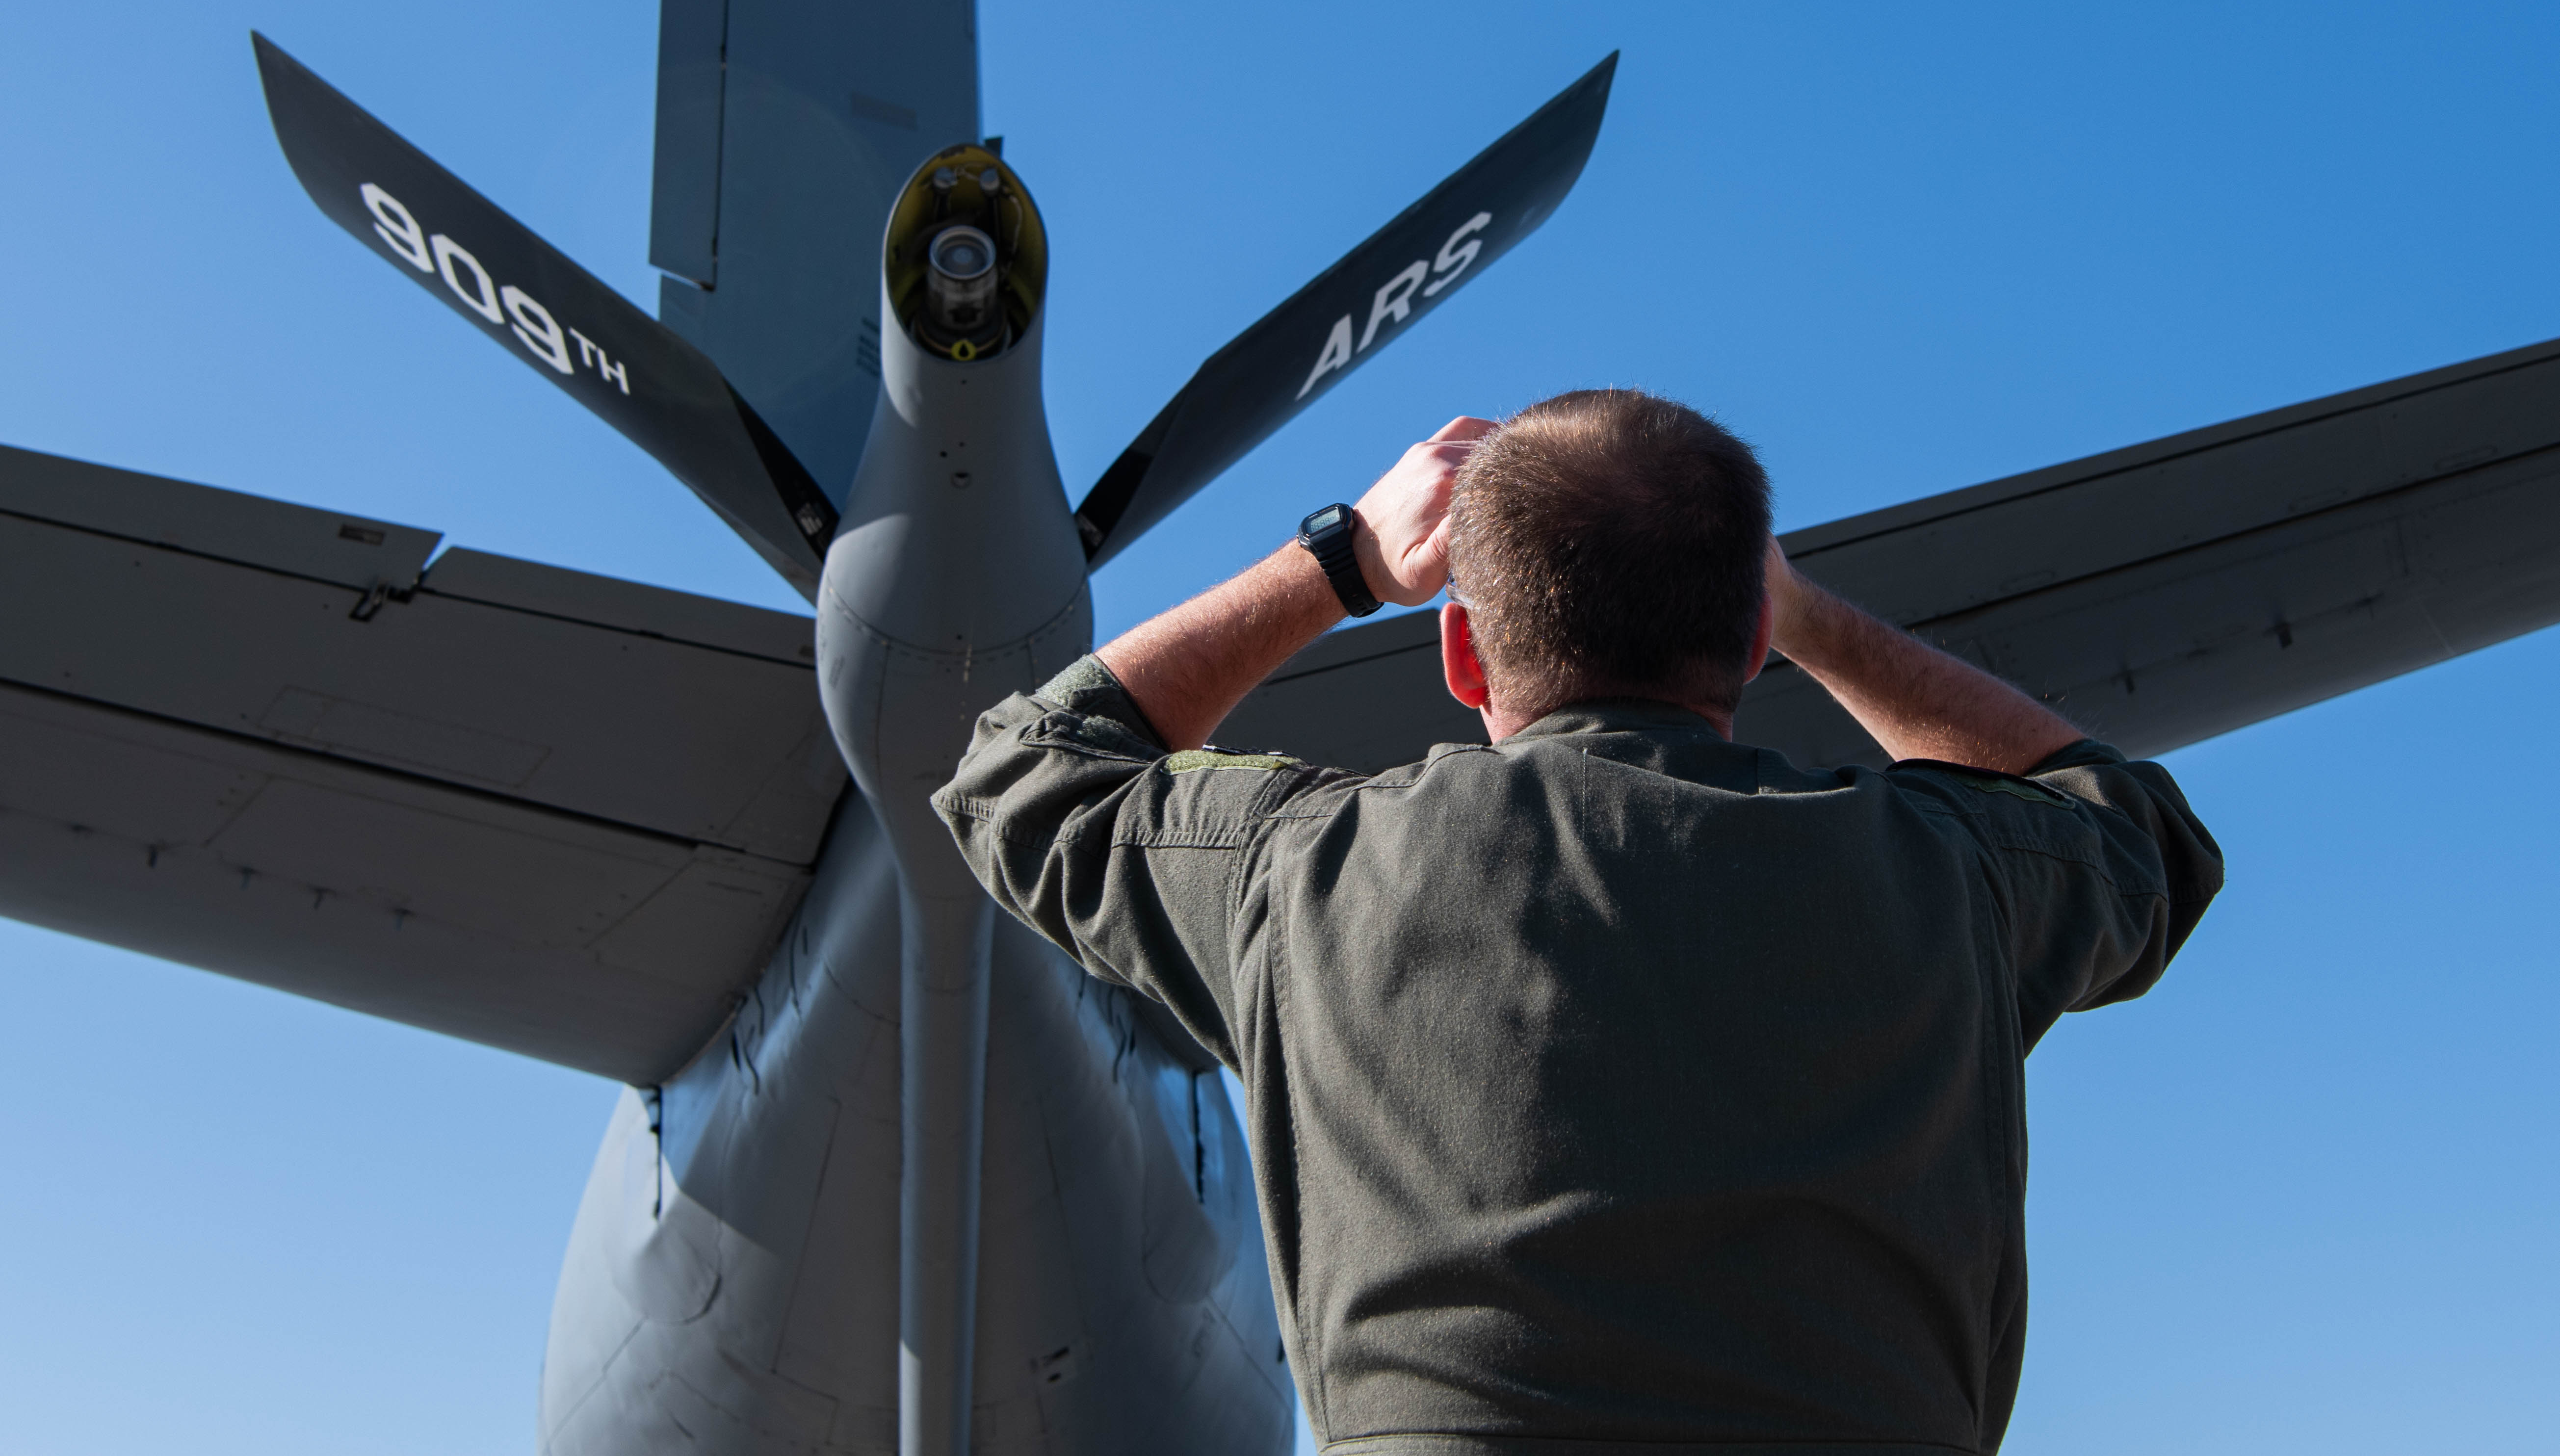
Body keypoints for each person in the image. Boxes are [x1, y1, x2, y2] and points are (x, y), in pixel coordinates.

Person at [935, 389, 2222, 1456]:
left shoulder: (1306, 869)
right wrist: (1818, 621)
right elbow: (2134, 828)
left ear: (1462, 659)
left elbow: (1023, 772)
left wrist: (1339, 561)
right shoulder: (1949, 871)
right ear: (1753, 638)